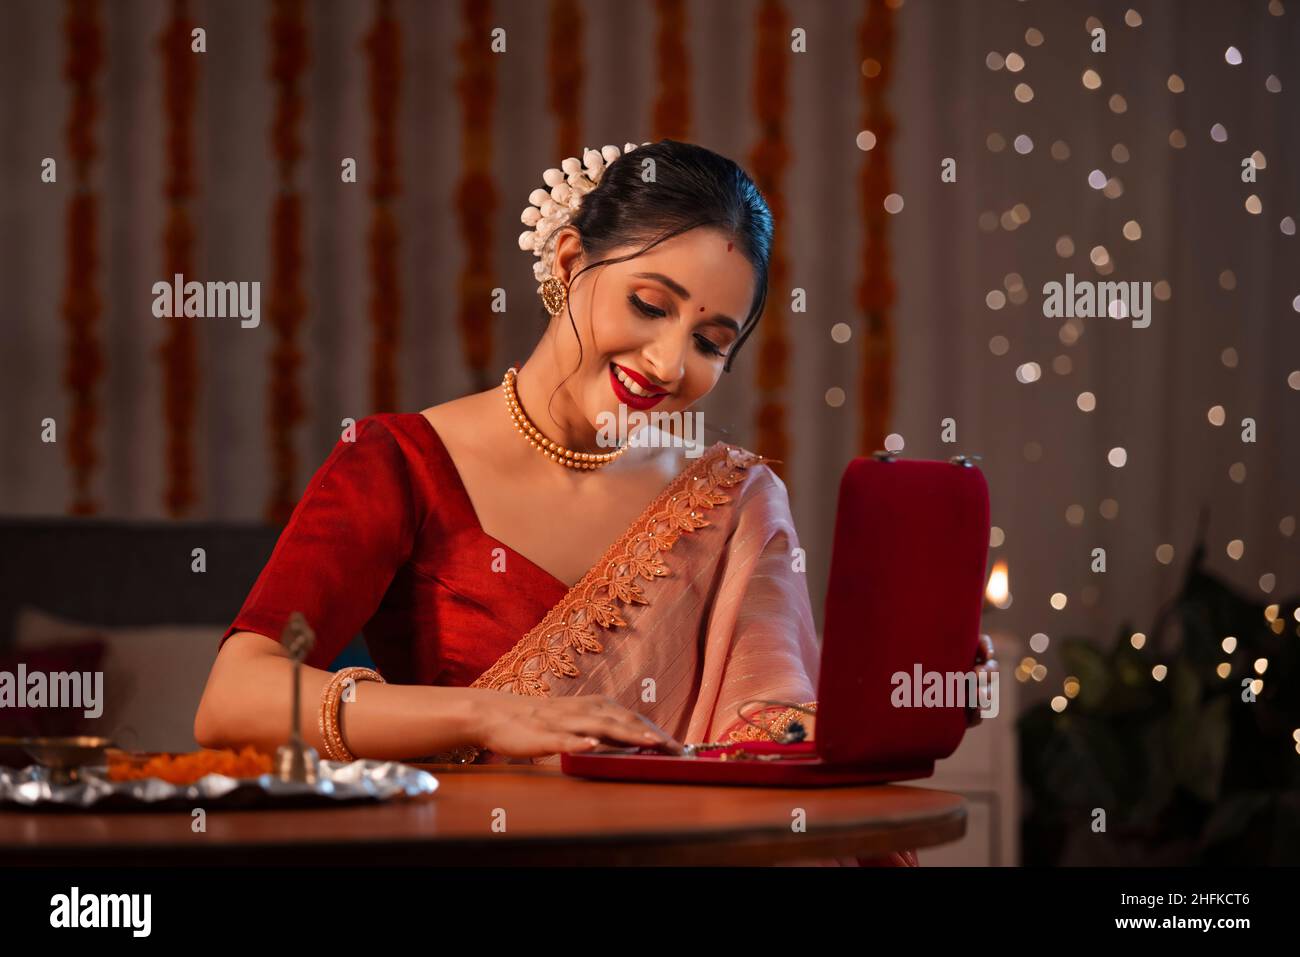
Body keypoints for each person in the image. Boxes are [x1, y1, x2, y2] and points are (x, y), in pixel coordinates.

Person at [194, 140, 995, 865]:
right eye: (650, 304)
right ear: (572, 261)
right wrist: (485, 716)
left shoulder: (733, 498)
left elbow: (763, 732)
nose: (668, 360)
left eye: (712, 341)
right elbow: (237, 696)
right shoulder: (399, 461)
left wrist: (903, 704)